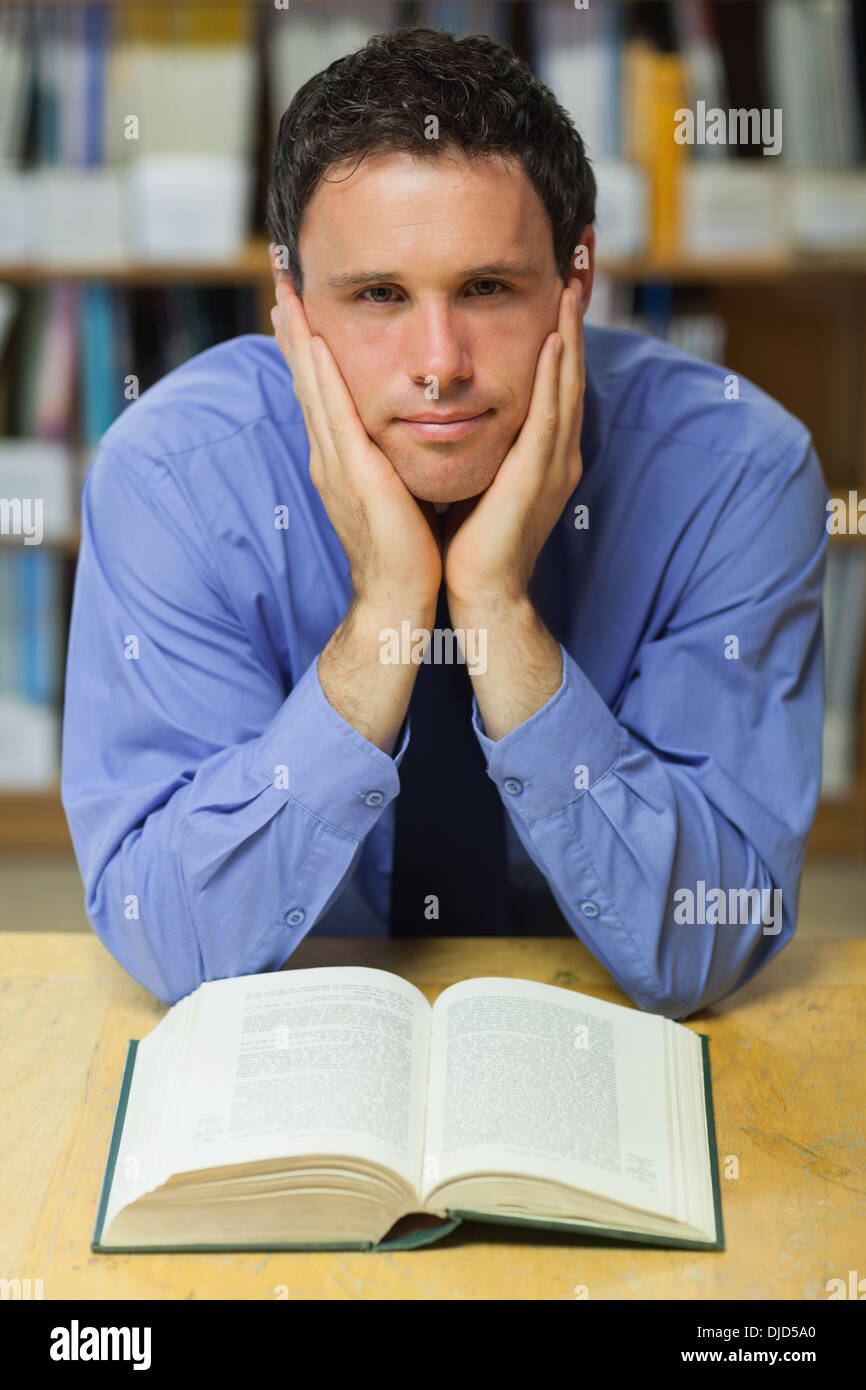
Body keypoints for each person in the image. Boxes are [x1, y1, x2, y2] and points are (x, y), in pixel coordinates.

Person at [61, 27, 827, 1015]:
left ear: (574, 283)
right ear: (288, 307)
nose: (439, 362)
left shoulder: (738, 472)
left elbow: (708, 940)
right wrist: (389, 602)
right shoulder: (168, 475)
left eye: (485, 288)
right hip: (307, 1047)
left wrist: (495, 607)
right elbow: (166, 934)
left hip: (596, 1043)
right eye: (378, 294)